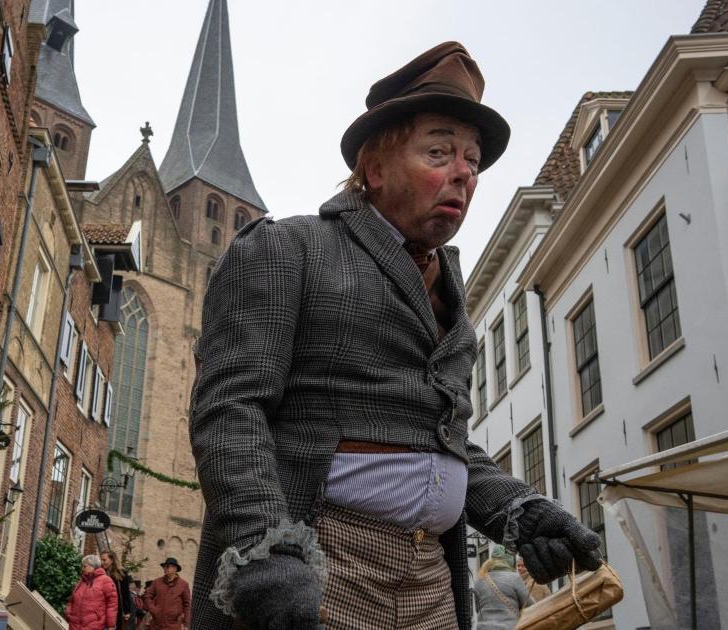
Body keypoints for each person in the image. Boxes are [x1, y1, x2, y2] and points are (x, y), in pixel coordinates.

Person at [189, 41, 602, 630]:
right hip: (322, 567)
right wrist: (267, 548)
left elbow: (440, 440)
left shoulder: (450, 290)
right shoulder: (287, 249)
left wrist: (520, 510)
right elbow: (230, 407)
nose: (464, 171)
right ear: (373, 168)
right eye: (438, 151)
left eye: (473, 160)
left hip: (433, 579)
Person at [472, 546, 529, 629]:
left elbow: (478, 609)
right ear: (509, 562)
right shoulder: (514, 578)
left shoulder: (479, 581)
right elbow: (529, 604)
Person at [66, 554, 118, 630]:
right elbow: (72, 600)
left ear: (93, 566)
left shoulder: (106, 580)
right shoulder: (81, 582)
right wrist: (68, 613)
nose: (82, 569)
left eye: (85, 566)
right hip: (75, 626)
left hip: (95, 626)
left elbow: (112, 604)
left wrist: (111, 625)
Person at [143, 558, 191, 630]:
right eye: (164, 566)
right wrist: (153, 609)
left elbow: (187, 605)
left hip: (173, 625)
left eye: (168, 566)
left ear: (175, 569)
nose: (165, 568)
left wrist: (185, 624)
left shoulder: (183, 584)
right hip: (157, 624)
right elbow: (147, 596)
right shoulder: (157, 582)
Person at [102, 550, 135, 630]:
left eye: (104, 560)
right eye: (101, 560)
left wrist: (127, 611)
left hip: (116, 609)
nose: (102, 562)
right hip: (102, 607)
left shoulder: (121, 573)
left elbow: (125, 593)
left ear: (112, 560)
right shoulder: (101, 572)